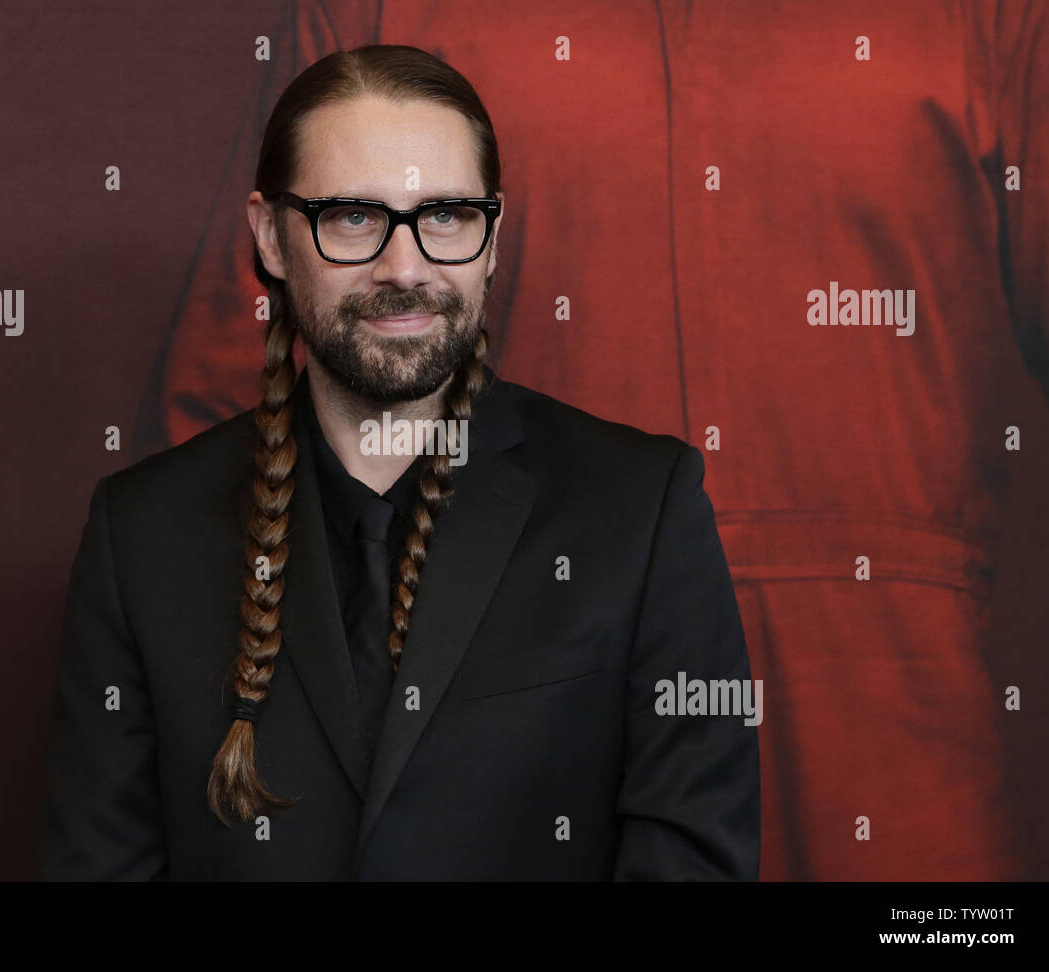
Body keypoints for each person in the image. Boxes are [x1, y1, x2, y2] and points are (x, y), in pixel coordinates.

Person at [39, 45, 758, 880]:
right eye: (353, 217)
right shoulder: (142, 535)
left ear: (492, 236)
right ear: (271, 237)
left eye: (445, 214)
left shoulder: (641, 508)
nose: (405, 267)